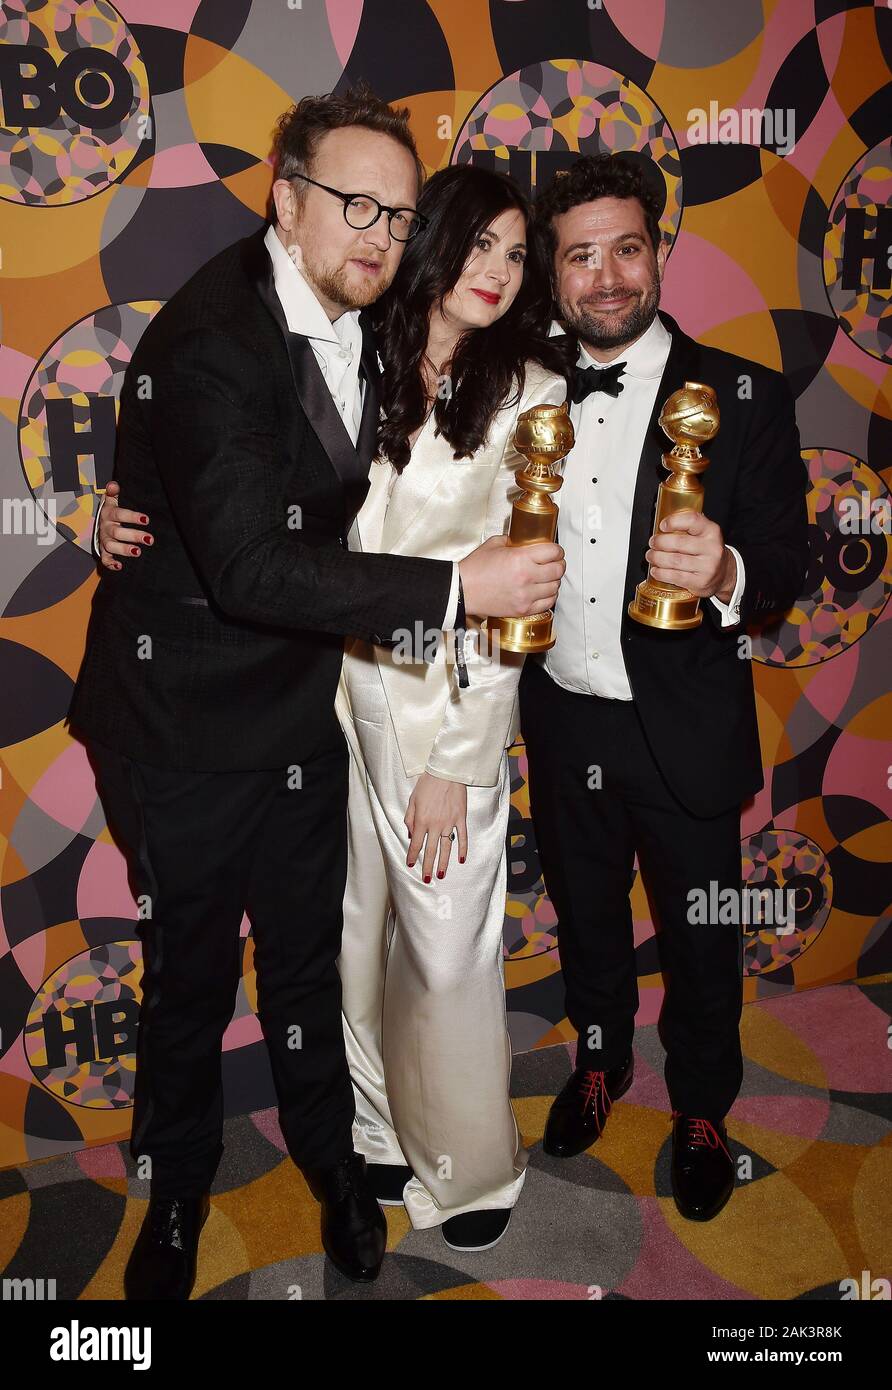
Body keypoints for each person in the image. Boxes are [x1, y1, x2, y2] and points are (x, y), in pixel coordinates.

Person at [69, 85, 565, 1299]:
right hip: (181, 715)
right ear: (284, 201)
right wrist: (460, 588)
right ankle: (178, 1191)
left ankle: (339, 1164)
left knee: (306, 962)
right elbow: (243, 558)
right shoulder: (211, 339)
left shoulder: (377, 301)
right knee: (190, 972)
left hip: (306, 709)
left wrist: (123, 488)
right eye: (354, 206)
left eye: (398, 216)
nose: (380, 237)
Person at [519, 154, 809, 1221]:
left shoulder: (743, 393)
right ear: (549, 274)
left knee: (698, 933)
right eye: (578, 254)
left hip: (679, 723)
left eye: (625, 248)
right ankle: (600, 1061)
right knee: (586, 915)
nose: (605, 277)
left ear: (660, 253)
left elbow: (791, 559)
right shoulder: (516, 390)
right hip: (557, 711)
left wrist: (729, 569)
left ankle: (703, 1108)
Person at [336, 164, 570, 1252]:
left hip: (446, 702)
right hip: (338, 695)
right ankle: (379, 1128)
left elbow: (520, 595)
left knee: (446, 947)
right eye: (481, 244)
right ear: (433, 242)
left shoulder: (530, 393)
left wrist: (461, 759)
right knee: (357, 932)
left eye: (516, 254)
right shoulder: (353, 359)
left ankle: (471, 1174)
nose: (498, 270)